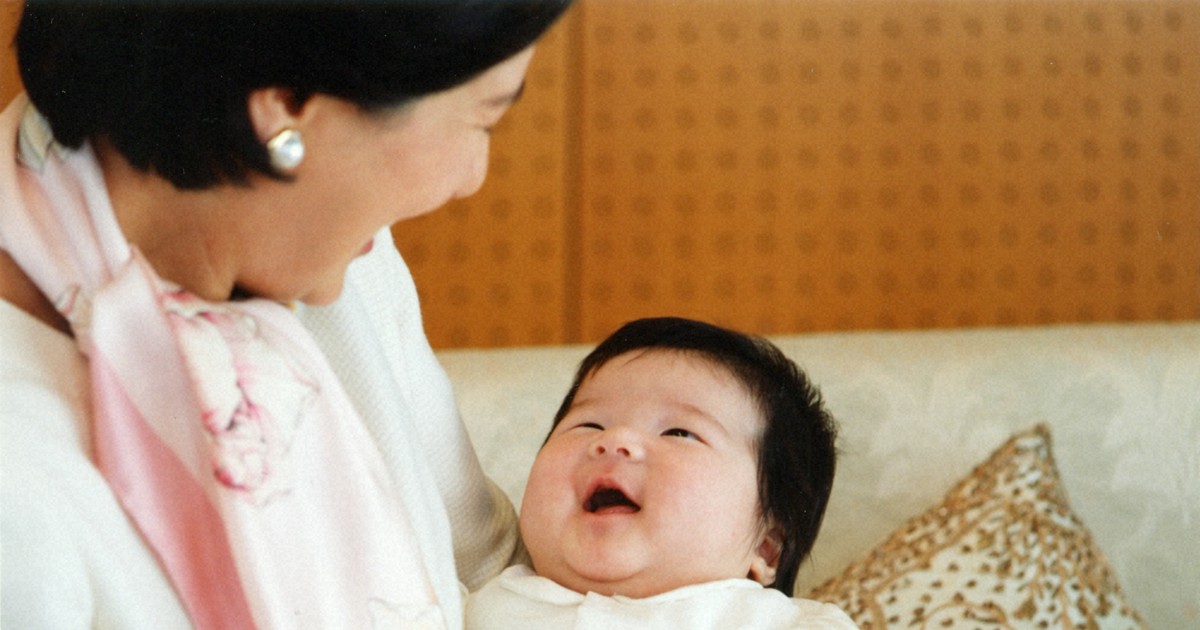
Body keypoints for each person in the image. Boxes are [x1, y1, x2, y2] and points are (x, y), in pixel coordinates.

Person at [0, 2, 572, 628]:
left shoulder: (320, 250)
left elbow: (487, 570)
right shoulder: (23, 475)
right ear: (288, 105)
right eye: (482, 120)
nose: (472, 179)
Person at [465, 317, 856, 629]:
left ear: (766, 547)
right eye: (589, 425)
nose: (615, 440)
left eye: (679, 433)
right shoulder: (475, 606)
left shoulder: (784, 624)